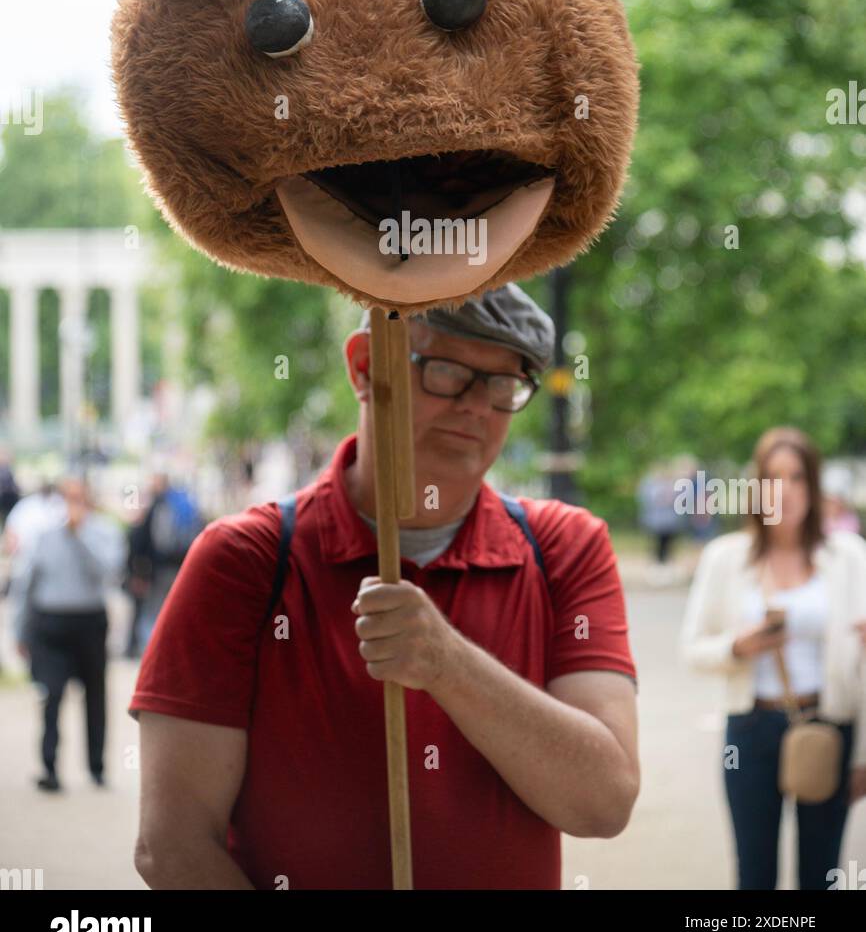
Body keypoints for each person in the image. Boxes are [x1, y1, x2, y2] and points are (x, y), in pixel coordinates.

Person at [129, 285, 640, 890]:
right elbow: (173, 845)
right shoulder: (244, 560)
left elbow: (604, 802)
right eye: (448, 372)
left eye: (504, 385)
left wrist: (447, 664)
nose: (477, 406)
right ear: (364, 367)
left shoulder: (564, 548)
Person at [679, 426, 866, 890]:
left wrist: (863, 754)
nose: (785, 490)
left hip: (826, 723)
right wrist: (737, 647)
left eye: (797, 477)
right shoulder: (727, 558)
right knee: (754, 874)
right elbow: (692, 648)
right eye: (773, 477)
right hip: (750, 730)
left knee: (822, 876)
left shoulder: (848, 557)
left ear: (814, 485)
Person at [14, 474, 126, 791]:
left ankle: (96, 766)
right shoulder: (44, 536)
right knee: (51, 694)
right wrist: (20, 631)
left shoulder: (104, 533)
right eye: (68, 498)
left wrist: (80, 537)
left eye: (79, 498)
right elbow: (26, 584)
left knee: (95, 695)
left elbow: (109, 573)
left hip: (89, 621)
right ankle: (49, 767)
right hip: (50, 623)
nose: (73, 505)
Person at [124, 474, 204, 656]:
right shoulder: (185, 504)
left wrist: (138, 571)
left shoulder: (158, 506)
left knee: (154, 612)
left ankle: (155, 652)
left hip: (159, 570)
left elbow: (143, 540)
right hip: (182, 568)